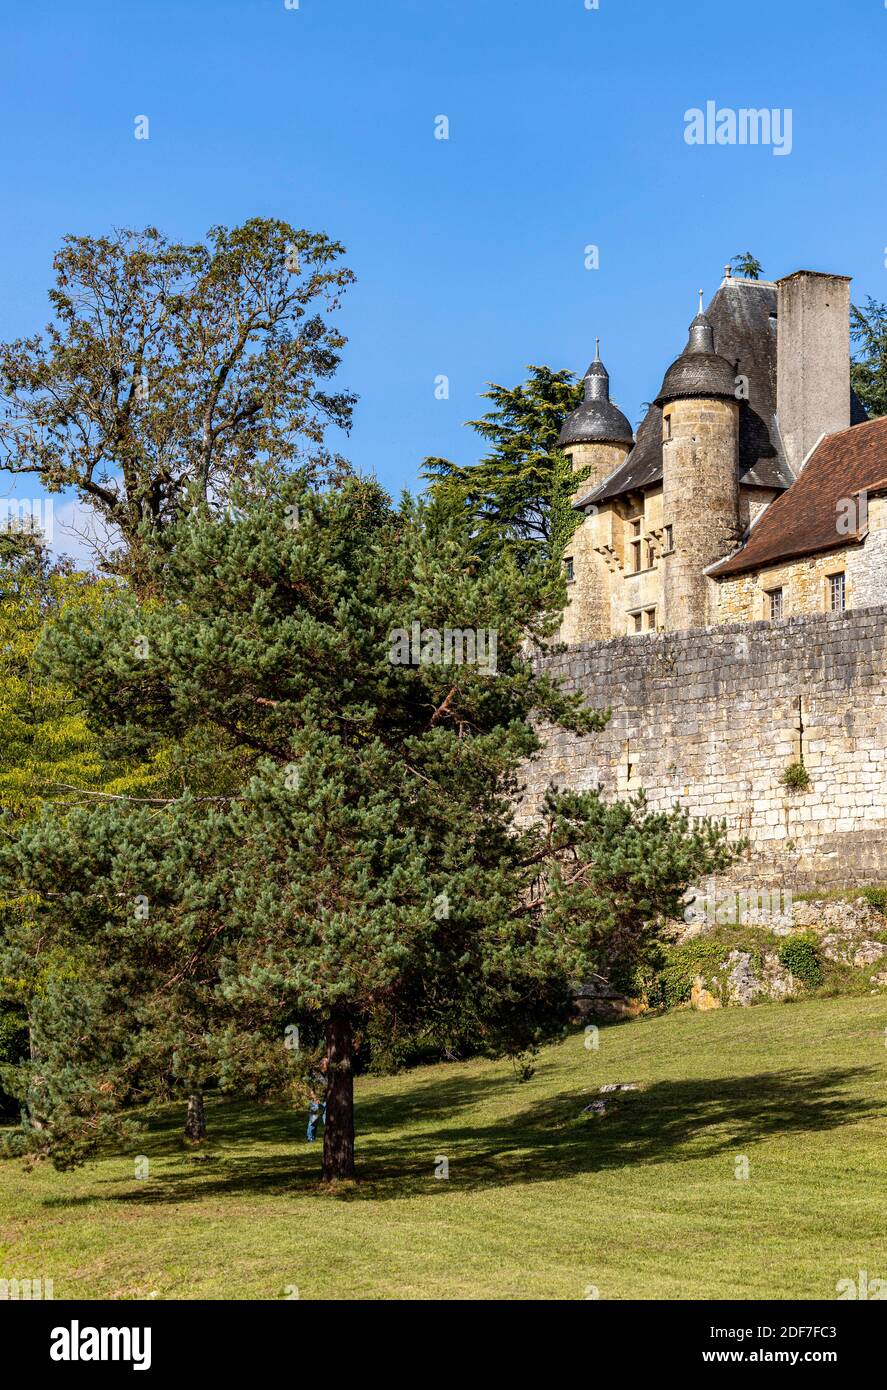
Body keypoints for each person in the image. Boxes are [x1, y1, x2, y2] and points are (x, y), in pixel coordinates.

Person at [306, 1056, 329, 1142]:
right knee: (313, 1121)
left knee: (327, 1121)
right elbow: (311, 1088)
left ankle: (329, 1138)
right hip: (316, 1101)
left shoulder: (329, 1074)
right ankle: (310, 1139)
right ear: (322, 1064)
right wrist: (315, 1098)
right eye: (327, 1064)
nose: (328, 1066)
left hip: (326, 1100)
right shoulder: (315, 1074)